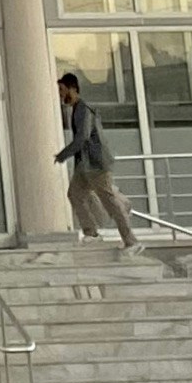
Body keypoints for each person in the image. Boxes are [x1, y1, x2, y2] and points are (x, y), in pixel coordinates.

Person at [55, 69, 138, 249]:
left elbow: (82, 137)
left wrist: (63, 154)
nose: (60, 95)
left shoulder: (83, 109)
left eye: (62, 90)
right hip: (85, 166)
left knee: (109, 201)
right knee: (75, 194)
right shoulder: (76, 110)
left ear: (72, 88)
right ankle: (91, 233)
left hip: (95, 164)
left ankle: (131, 241)